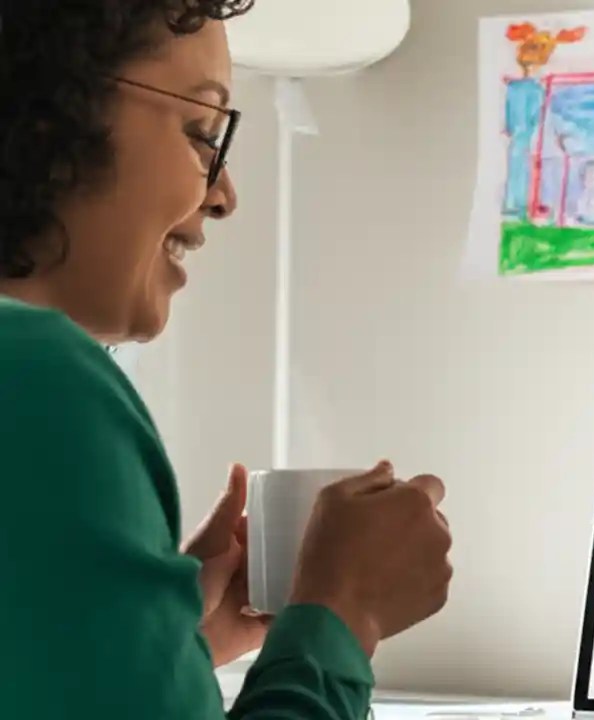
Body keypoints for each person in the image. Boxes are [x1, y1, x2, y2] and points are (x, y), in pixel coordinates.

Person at [0, 2, 454, 718]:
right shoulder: (35, 381)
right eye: (202, 132)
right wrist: (341, 619)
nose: (224, 194)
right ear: (44, 121)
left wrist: (170, 640)